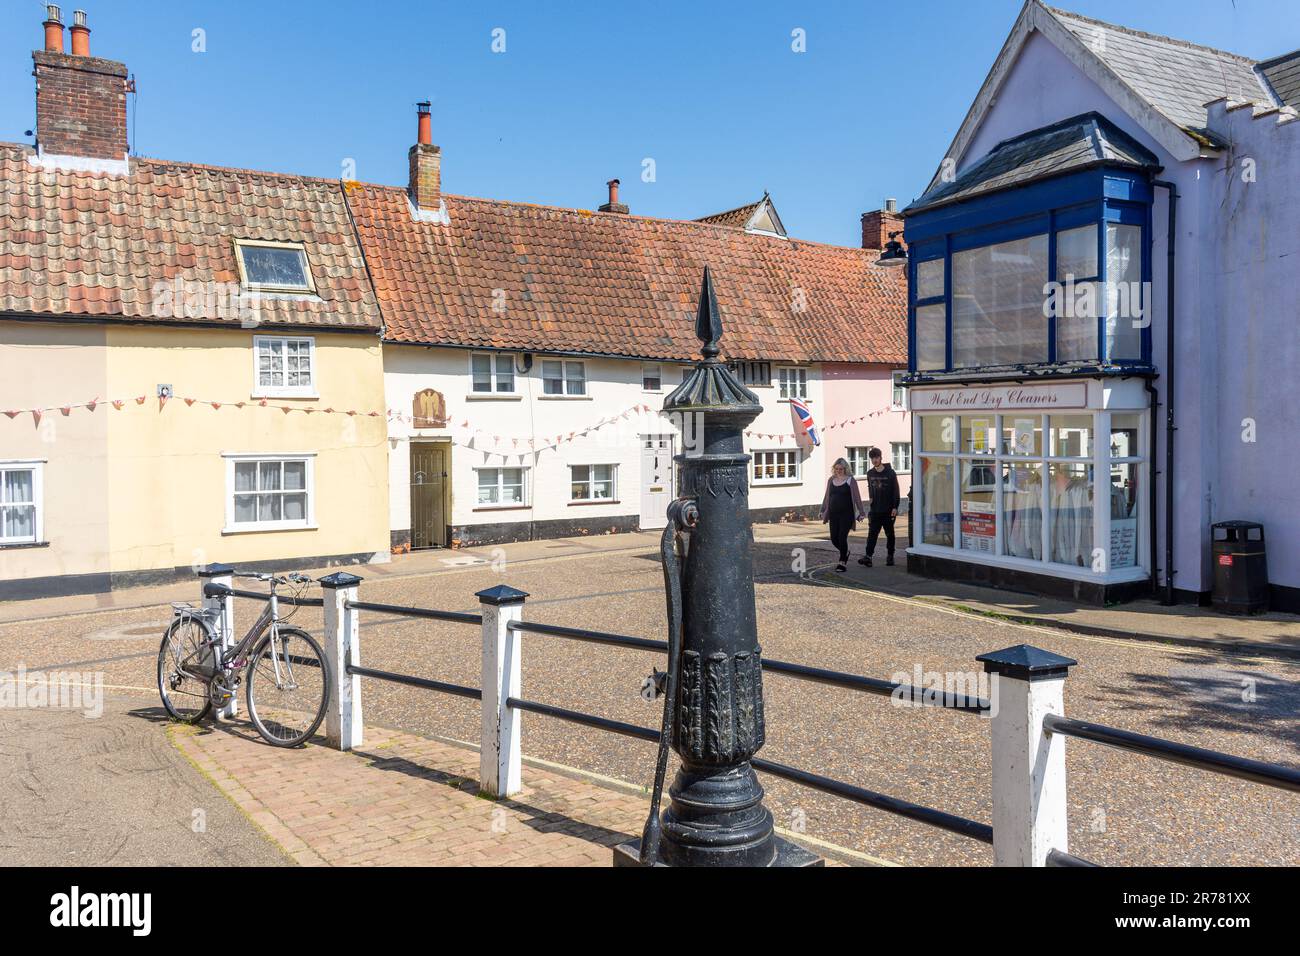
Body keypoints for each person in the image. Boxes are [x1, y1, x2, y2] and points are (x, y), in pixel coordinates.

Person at [819, 457, 865, 572]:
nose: (838, 471)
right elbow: (827, 497)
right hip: (834, 514)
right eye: (836, 468)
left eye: (841, 469)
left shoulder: (850, 480)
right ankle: (845, 552)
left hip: (847, 515)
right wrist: (822, 510)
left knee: (842, 537)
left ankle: (842, 562)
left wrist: (861, 512)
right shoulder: (831, 480)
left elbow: (857, 498)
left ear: (845, 469)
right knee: (834, 539)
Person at [859, 447, 900, 567]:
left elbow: (895, 491)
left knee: (890, 534)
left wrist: (895, 507)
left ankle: (890, 556)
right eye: (872, 458)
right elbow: (870, 488)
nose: (875, 460)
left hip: (888, 510)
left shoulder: (890, 473)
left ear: (881, 457)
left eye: (876, 457)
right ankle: (868, 557)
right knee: (872, 534)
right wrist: (871, 499)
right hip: (875, 510)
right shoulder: (870, 473)